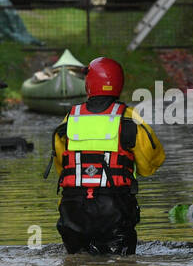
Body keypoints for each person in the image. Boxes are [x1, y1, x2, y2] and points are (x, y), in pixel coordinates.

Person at [50, 57, 165, 254]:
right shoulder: (129, 118)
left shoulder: (70, 118)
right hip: (114, 213)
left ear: (89, 84)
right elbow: (149, 166)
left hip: (73, 213)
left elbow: (62, 167)